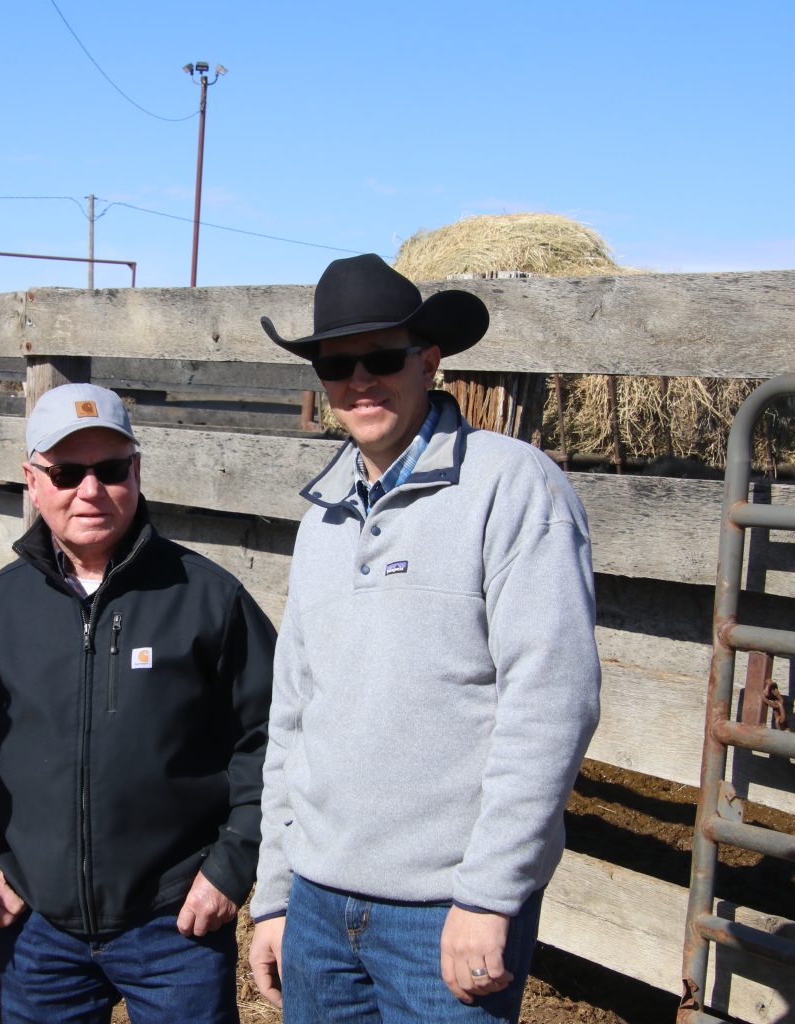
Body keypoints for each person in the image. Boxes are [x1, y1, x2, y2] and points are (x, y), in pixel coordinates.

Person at [247, 255, 601, 1023]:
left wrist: (489, 894)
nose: (361, 380)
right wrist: (275, 890)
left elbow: (552, 701)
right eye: (338, 364)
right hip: (317, 904)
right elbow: (293, 717)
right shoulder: (323, 521)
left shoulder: (513, 488)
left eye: (383, 358)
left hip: (443, 910)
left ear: (430, 360)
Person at [0, 383, 276, 1024]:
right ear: (32, 480)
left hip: (176, 924)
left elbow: (269, 740)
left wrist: (230, 866)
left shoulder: (207, 600)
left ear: (136, 472)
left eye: (110, 470)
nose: (90, 490)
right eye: (65, 472)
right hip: (39, 930)